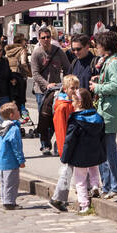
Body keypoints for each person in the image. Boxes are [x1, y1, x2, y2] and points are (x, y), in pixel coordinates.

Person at [92, 30, 117, 198]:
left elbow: (115, 86)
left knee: (109, 151)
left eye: (98, 45)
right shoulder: (108, 61)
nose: (96, 48)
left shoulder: (113, 62)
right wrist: (98, 81)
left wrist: (97, 88)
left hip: (110, 110)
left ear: (104, 46)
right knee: (104, 150)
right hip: (105, 108)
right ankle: (107, 185)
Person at [63, 88, 107, 213]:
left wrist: (65, 157)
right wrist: (102, 153)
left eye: (73, 101)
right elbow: (103, 138)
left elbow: (69, 140)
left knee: (80, 180)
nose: (71, 103)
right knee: (94, 169)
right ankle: (94, 186)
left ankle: (84, 204)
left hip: (80, 154)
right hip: (95, 152)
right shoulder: (98, 118)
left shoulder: (75, 119)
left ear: (79, 103)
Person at [46, 75, 83, 211]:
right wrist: (64, 148)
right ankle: (57, 198)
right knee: (67, 172)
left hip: (74, 142)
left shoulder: (72, 104)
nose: (75, 91)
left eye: (77, 88)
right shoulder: (62, 107)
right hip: (68, 144)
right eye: (72, 88)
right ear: (65, 89)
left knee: (69, 171)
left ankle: (61, 198)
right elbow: (61, 130)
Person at [30, 27, 69, 155]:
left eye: (48, 37)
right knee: (43, 118)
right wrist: (47, 85)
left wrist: (65, 84)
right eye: (43, 37)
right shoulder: (37, 53)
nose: (46, 40)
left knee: (55, 118)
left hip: (57, 91)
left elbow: (68, 68)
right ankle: (45, 145)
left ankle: (53, 141)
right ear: (39, 39)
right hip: (41, 91)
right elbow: (35, 74)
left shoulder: (58, 51)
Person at [0, 101, 26, 210]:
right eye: (17, 110)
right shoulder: (13, 129)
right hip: (11, 160)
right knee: (12, 183)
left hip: (3, 160)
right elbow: (16, 147)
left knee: (4, 182)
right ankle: (9, 202)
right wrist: (21, 160)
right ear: (12, 115)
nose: (19, 112)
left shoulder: (0, 128)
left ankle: (5, 199)